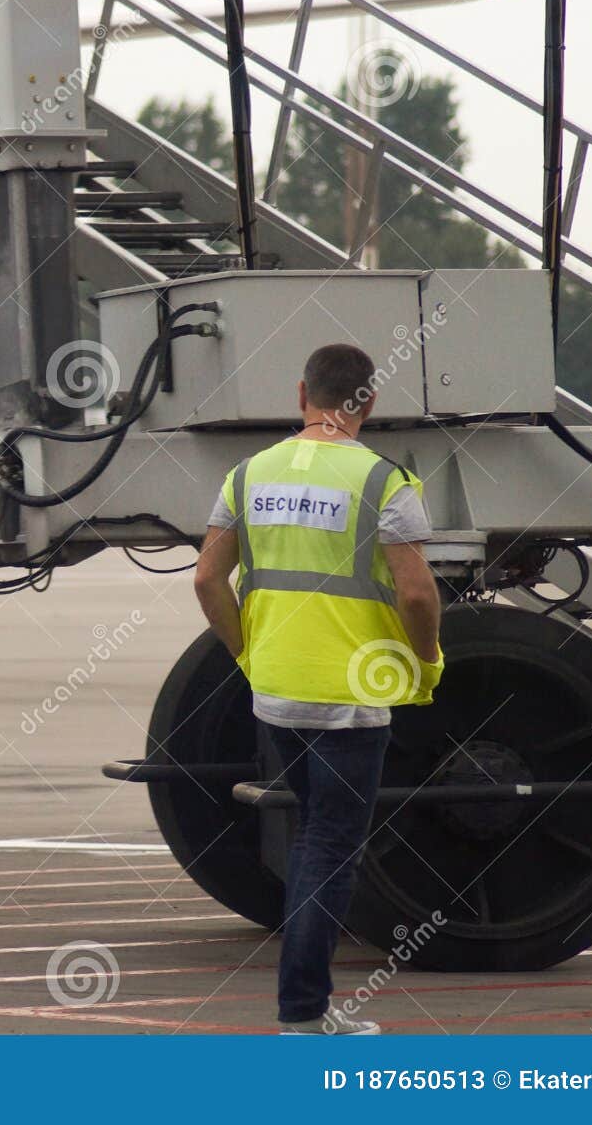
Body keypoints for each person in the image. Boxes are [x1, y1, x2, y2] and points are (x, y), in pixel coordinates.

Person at [193, 343, 443, 1036]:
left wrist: (250, 651)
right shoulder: (381, 481)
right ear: (368, 402)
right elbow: (418, 593)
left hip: (274, 690)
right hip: (350, 695)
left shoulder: (247, 474)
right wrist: (425, 663)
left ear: (302, 391)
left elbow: (207, 579)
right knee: (331, 845)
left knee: (313, 838)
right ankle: (302, 1011)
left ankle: (304, 1007)